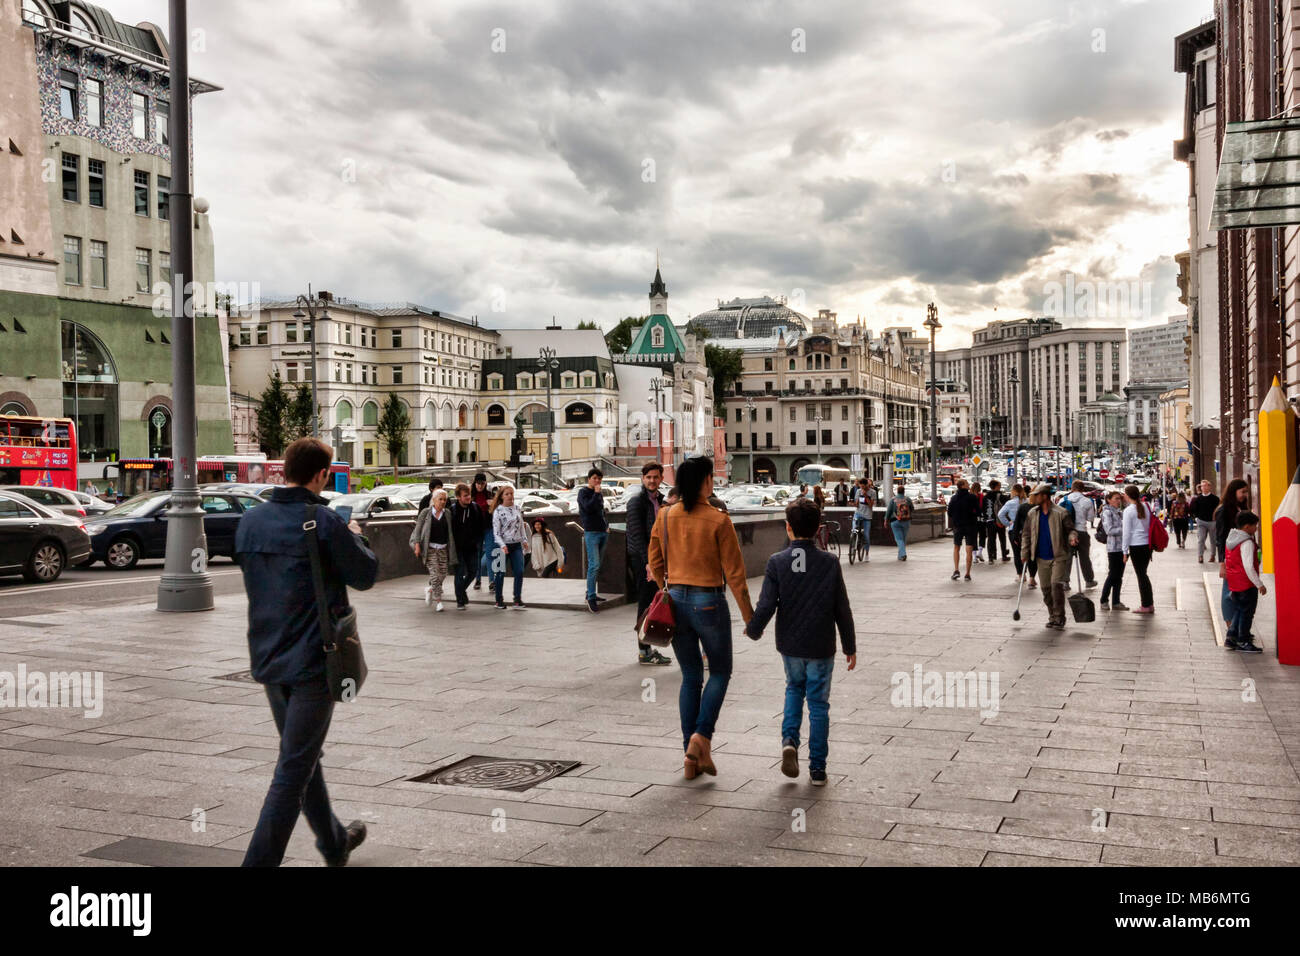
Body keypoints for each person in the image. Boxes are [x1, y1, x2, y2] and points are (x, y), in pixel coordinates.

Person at [233, 437, 377, 867]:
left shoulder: (250, 522)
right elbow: (365, 574)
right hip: (314, 660)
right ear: (320, 475)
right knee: (293, 770)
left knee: (302, 755)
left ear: (284, 471)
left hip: (267, 658)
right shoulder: (323, 521)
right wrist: (356, 536)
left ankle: (334, 843)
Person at [648, 456, 753, 780]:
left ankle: (690, 759)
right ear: (705, 481)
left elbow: (653, 561)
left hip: (676, 600)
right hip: (709, 601)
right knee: (720, 671)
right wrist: (751, 618)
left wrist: (668, 582)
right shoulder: (719, 520)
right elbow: (735, 574)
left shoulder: (665, 516)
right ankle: (701, 736)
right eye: (711, 478)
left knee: (691, 675)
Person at [745, 498, 856, 786]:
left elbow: (767, 604)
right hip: (821, 644)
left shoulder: (777, 561)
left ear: (788, 528)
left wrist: (754, 629)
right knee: (819, 704)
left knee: (794, 689)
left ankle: (789, 741)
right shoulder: (829, 562)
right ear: (819, 528)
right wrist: (850, 646)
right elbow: (841, 607)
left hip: (790, 644)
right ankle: (817, 769)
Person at [625, 461, 671, 666]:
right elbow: (636, 536)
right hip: (643, 561)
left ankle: (651, 646)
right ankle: (644, 650)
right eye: (648, 477)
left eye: (655, 477)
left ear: (661, 478)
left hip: (659, 561)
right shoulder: (636, 502)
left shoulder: (662, 500)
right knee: (645, 604)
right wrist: (648, 564)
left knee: (656, 602)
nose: (652, 481)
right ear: (643, 479)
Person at [1019, 482, 1078, 628]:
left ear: (1045, 496)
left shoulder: (1061, 512)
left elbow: (1071, 529)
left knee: (1055, 586)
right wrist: (1024, 552)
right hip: (1041, 557)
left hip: (1058, 556)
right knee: (1045, 589)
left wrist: (1072, 537)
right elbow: (1026, 535)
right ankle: (1052, 615)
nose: (1034, 498)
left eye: (1036, 495)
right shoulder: (1032, 513)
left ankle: (1059, 617)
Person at [1223, 510, 1265, 654]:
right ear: (1247, 527)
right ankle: (1243, 640)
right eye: (1255, 526)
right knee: (1247, 613)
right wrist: (1259, 583)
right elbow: (1248, 566)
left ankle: (1232, 637)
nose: (1256, 528)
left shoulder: (1231, 539)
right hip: (1246, 584)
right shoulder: (1246, 542)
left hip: (1235, 582)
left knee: (1239, 610)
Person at [1214, 478, 1251, 634]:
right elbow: (1221, 537)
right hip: (1230, 557)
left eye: (1246, 492)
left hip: (1241, 556)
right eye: (1242, 492)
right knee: (1228, 591)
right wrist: (1222, 562)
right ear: (1233, 491)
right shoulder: (1224, 510)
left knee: (1239, 592)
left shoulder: (1240, 508)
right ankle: (1230, 626)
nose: (1245, 495)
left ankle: (1238, 626)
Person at [410, 488, 456, 612]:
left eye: (444, 500)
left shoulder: (447, 513)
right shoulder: (426, 512)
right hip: (430, 549)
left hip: (442, 549)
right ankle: (439, 601)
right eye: (440, 499)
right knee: (435, 576)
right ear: (434, 500)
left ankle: (430, 589)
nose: (442, 502)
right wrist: (417, 546)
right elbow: (418, 530)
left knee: (443, 573)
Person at [490, 484, 530, 609]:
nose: (510, 496)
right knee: (500, 573)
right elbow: (496, 532)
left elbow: (521, 526)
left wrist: (524, 539)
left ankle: (517, 599)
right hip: (502, 546)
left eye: (511, 493)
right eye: (507, 494)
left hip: (516, 545)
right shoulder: (498, 511)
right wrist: (502, 545)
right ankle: (499, 600)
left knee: (519, 571)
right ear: (501, 496)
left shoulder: (517, 508)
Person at [577, 467, 608, 614]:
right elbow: (588, 508)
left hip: (602, 532)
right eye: (595, 478)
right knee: (593, 565)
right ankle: (590, 597)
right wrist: (596, 494)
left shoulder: (598, 493)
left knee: (598, 565)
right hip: (591, 533)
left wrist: (606, 526)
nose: (597, 481)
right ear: (589, 479)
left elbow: (601, 511)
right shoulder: (583, 492)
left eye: (599, 478)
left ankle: (592, 593)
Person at [449, 482, 484, 609]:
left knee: (473, 571)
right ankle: (460, 600)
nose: (468, 498)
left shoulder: (475, 508)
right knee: (459, 573)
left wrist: (478, 541)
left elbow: (481, 525)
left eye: (469, 495)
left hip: (472, 547)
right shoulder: (453, 510)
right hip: (458, 548)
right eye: (465, 496)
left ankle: (461, 591)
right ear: (458, 497)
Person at [1121, 483, 1155, 614]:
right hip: (1147, 545)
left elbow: (1126, 533)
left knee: (1141, 576)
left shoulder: (1129, 511)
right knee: (1143, 574)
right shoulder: (1146, 506)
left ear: (1128, 496)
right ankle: (1148, 604)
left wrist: (1125, 552)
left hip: (1136, 546)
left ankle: (1146, 605)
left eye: (1124, 493)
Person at [1065, 480, 1098, 588]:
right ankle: (1089, 580)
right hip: (1082, 531)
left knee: (1067, 557)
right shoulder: (1087, 501)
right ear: (1083, 489)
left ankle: (1065, 582)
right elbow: (1090, 518)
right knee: (1084, 557)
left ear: (1072, 488)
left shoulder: (1064, 499)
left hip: (1067, 532)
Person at [1098, 490, 1128, 611]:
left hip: (1123, 547)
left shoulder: (1119, 512)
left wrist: (1125, 500)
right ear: (1109, 500)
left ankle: (1116, 601)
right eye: (1116, 498)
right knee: (1112, 575)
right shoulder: (1107, 512)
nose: (1118, 501)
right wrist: (1125, 529)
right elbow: (1109, 530)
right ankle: (1104, 600)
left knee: (1119, 576)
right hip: (1113, 548)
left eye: (1119, 499)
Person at [1002, 484, 1035, 589]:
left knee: (1017, 553)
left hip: (1014, 531)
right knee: (1030, 554)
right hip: (1029, 531)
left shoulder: (1010, 503)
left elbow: (1000, 514)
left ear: (1013, 492)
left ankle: (1021, 575)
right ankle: (1032, 577)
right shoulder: (1028, 502)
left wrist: (1008, 523)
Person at [947, 478, 980, 581]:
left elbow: (949, 512)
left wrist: (956, 518)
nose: (969, 484)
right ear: (963, 486)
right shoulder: (972, 497)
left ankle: (956, 570)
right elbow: (978, 511)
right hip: (970, 525)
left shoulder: (954, 498)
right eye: (967, 483)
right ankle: (967, 573)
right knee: (969, 549)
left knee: (956, 547)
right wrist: (973, 515)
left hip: (958, 526)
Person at [1190, 479, 1220, 563]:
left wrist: (1216, 518)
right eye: (1202, 486)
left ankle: (1212, 555)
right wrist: (1196, 518)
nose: (1203, 487)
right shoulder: (1198, 499)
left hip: (1212, 522)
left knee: (1213, 540)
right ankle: (1200, 556)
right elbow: (1195, 509)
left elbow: (1218, 509)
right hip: (1201, 521)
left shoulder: (1215, 499)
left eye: (1205, 486)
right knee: (1201, 539)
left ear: (1209, 487)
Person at [471, 474, 493, 589]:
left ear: (485, 484)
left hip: (489, 528)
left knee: (490, 554)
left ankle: (491, 581)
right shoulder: (471, 496)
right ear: (475, 484)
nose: (480, 486)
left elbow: (494, 509)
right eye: (478, 483)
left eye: (482, 483)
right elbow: (474, 507)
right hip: (477, 529)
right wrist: (486, 504)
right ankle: (478, 579)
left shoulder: (489, 495)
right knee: (478, 555)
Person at [982, 479, 1009, 563]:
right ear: (996, 487)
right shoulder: (1000, 496)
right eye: (999, 486)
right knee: (1002, 538)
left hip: (990, 520)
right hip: (1000, 520)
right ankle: (1004, 555)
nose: (1000, 488)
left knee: (991, 539)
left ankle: (991, 557)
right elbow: (1007, 506)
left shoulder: (986, 497)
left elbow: (983, 508)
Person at [887, 483, 913, 560]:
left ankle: (903, 554)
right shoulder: (908, 499)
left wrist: (886, 520)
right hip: (906, 521)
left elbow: (889, 511)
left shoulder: (893, 499)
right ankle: (900, 555)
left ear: (897, 491)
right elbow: (912, 508)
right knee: (903, 538)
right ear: (904, 492)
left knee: (899, 539)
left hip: (895, 521)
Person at [850, 478, 874, 560]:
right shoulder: (858, 491)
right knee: (853, 530)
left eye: (863, 486)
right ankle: (853, 547)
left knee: (866, 535)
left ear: (867, 484)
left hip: (867, 516)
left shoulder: (872, 492)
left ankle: (866, 553)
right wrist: (854, 503)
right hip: (858, 514)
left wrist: (866, 496)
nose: (862, 488)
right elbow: (856, 504)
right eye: (861, 486)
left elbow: (871, 505)